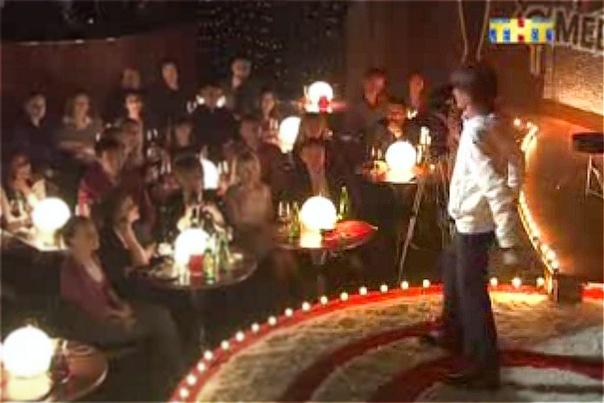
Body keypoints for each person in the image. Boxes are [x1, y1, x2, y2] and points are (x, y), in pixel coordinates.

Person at [420, 64, 523, 389]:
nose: (453, 95)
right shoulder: (493, 124)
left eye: (457, 89)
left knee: (472, 294)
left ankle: (483, 366)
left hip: (473, 225)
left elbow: (494, 187)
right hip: (471, 220)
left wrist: (508, 239)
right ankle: (452, 333)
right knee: (453, 272)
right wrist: (514, 190)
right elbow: (517, 160)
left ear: (468, 94)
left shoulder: (477, 134)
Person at [59, 216, 184, 396]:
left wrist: (122, 306)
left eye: (94, 233)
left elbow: (107, 289)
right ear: (72, 240)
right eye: (88, 235)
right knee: (160, 321)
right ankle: (174, 377)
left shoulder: (93, 259)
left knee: (160, 313)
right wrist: (118, 316)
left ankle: (165, 376)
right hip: (95, 325)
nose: (95, 238)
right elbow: (87, 307)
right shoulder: (70, 270)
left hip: (111, 313)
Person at [96, 188, 155, 296]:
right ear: (117, 214)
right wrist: (128, 235)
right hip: (123, 292)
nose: (136, 207)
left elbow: (152, 246)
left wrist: (143, 254)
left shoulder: (137, 227)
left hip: (142, 284)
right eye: (129, 207)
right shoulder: (106, 238)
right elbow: (141, 263)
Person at [163, 155, 224, 235]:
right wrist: (188, 214)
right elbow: (175, 230)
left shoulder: (213, 197)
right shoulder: (174, 203)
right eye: (196, 177)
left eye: (201, 174)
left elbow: (224, 231)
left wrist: (215, 213)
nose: (201, 180)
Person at [10, 92, 59, 172]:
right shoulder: (20, 127)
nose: (39, 109)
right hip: (28, 169)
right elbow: (22, 150)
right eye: (35, 106)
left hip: (48, 168)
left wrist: (54, 167)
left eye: (42, 106)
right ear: (27, 107)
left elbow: (55, 150)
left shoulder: (49, 127)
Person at [77, 137, 124, 216]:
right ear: (100, 160)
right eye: (111, 158)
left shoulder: (128, 176)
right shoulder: (89, 184)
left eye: (119, 157)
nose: (117, 162)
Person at [192, 83, 237, 161]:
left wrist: (227, 144)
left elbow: (232, 132)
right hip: (204, 152)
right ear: (203, 95)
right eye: (208, 94)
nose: (211, 98)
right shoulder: (196, 114)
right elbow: (194, 134)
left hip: (223, 153)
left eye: (214, 94)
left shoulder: (226, 114)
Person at [1, 152, 46, 229]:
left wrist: (24, 188)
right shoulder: (4, 187)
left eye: (26, 163)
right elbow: (9, 222)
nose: (25, 168)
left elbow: (42, 210)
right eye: (19, 165)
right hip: (14, 229)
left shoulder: (37, 182)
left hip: (35, 228)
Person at [57, 91, 104, 164]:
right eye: (78, 104)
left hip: (90, 161)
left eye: (84, 104)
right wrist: (77, 147)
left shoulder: (96, 125)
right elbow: (57, 143)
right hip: (67, 161)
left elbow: (100, 145)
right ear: (72, 106)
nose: (81, 107)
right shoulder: (62, 125)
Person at [344, 68, 388, 139]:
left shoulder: (385, 106)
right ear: (365, 82)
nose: (374, 88)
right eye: (372, 83)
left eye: (378, 84)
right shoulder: (354, 106)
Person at [151, 59, 188, 132]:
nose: (170, 73)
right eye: (166, 70)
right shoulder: (157, 95)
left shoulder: (185, 92)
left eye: (172, 69)